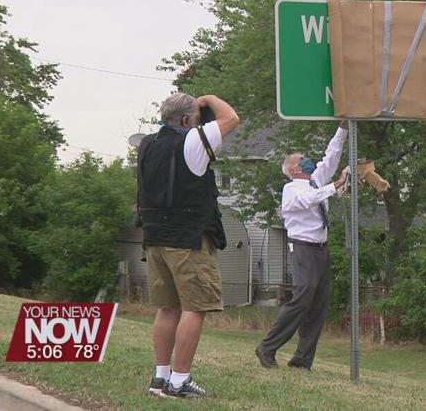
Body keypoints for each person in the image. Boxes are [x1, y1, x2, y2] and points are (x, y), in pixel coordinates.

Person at [137, 92, 240, 399]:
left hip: (155, 239)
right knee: (195, 308)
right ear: (186, 120)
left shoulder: (147, 144)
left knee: (167, 307)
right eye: (196, 118)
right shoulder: (193, 141)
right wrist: (207, 98)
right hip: (189, 240)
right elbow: (231, 118)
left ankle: (161, 377)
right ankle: (180, 381)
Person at [255, 122, 350, 370]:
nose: (308, 160)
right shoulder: (291, 189)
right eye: (303, 159)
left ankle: (302, 360)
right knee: (303, 294)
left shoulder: (316, 181)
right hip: (302, 248)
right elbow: (308, 200)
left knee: (319, 302)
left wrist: (343, 128)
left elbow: (332, 155)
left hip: (321, 248)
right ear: (295, 168)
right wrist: (336, 185)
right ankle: (267, 347)